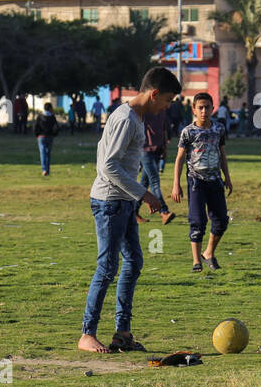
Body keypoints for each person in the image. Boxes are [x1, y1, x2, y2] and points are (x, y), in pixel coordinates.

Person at [80, 67, 180, 355]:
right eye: (168, 101)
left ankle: (122, 333)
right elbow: (107, 166)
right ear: (154, 94)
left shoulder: (136, 117)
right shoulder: (125, 119)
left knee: (134, 262)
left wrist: (135, 196)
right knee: (108, 267)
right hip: (109, 202)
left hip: (122, 202)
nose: (167, 108)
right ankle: (87, 333)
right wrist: (144, 193)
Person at [171, 91, 232, 273]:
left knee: (221, 220)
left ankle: (208, 253)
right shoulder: (188, 132)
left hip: (215, 181)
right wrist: (176, 183)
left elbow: (222, 153)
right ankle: (196, 261)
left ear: (213, 108)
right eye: (200, 108)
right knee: (198, 221)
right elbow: (180, 158)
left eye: (207, 107)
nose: (204, 111)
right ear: (194, 110)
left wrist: (227, 177)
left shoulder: (219, 129)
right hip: (196, 181)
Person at [137, 105, 176, 225]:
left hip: (157, 149)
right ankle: (164, 212)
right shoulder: (145, 110)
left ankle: (132, 212)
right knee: (154, 181)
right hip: (145, 150)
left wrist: (164, 148)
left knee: (144, 183)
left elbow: (164, 129)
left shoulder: (163, 109)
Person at [34, 101, 59, 176]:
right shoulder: (52, 117)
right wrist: (54, 134)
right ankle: (47, 169)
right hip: (50, 136)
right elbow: (56, 127)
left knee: (42, 153)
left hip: (41, 137)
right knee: (48, 153)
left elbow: (35, 127)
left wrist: (37, 135)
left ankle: (44, 169)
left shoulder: (40, 116)